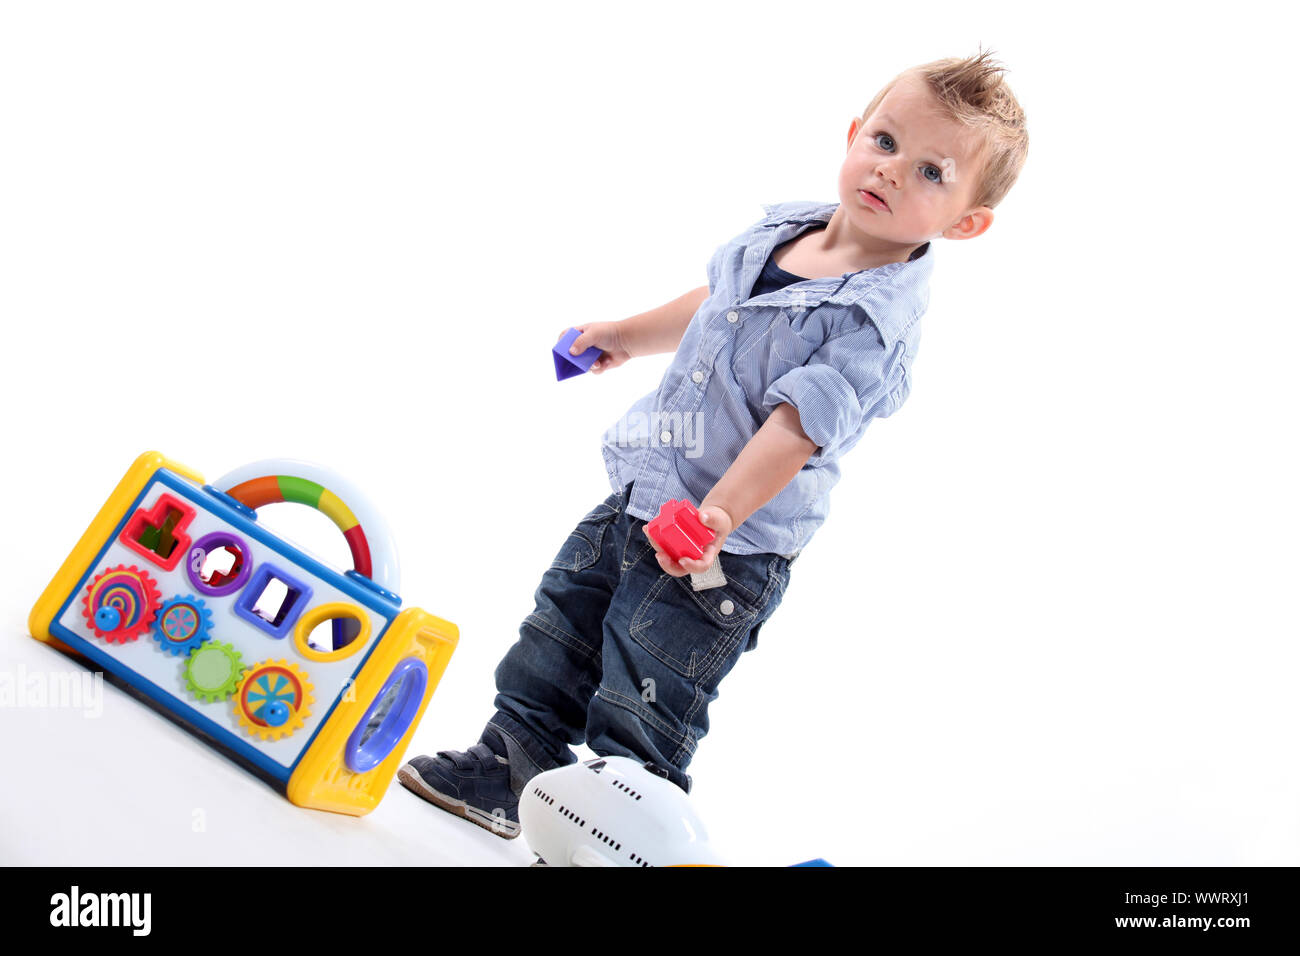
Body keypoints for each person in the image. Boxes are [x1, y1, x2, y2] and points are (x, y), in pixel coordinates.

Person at [398, 50, 1028, 839]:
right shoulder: (784, 231)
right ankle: (511, 759)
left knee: (648, 685)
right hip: (648, 486)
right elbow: (715, 305)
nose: (893, 172)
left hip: (723, 550)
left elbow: (794, 430)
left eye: (933, 173)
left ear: (966, 222)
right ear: (853, 134)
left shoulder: (874, 325)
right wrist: (625, 335)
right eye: (886, 141)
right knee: (561, 623)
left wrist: (719, 517)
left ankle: (629, 826)